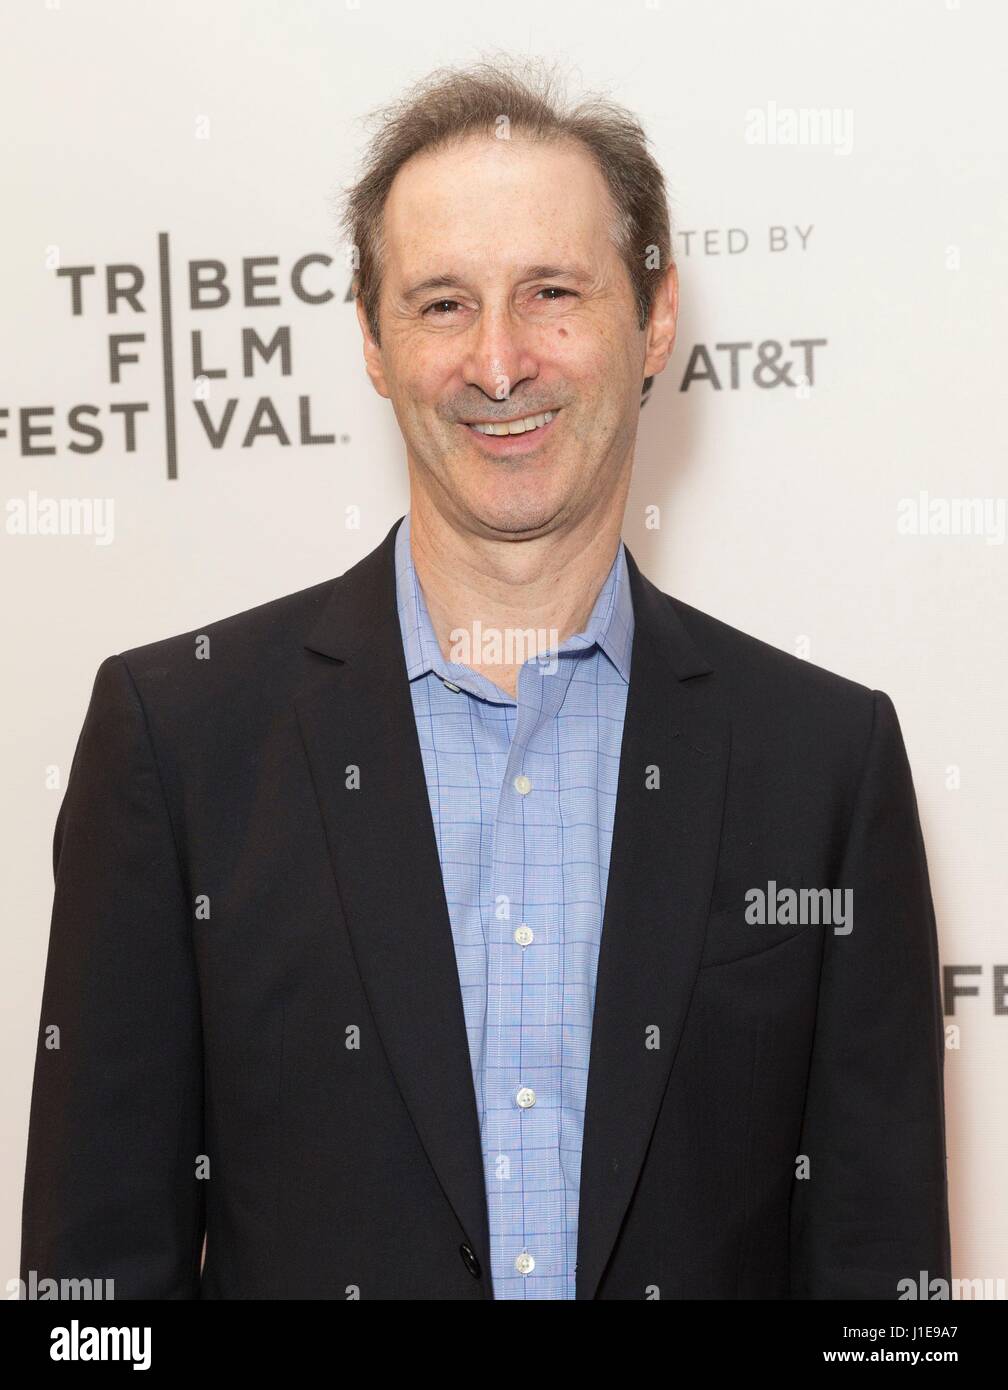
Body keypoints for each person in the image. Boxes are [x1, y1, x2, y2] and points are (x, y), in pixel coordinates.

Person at [21, 60, 951, 1300]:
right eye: (443, 304)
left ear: (655, 315)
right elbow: (93, 1303)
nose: (499, 361)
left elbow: (884, 1302)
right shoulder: (178, 745)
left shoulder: (825, 764)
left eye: (552, 293)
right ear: (372, 340)